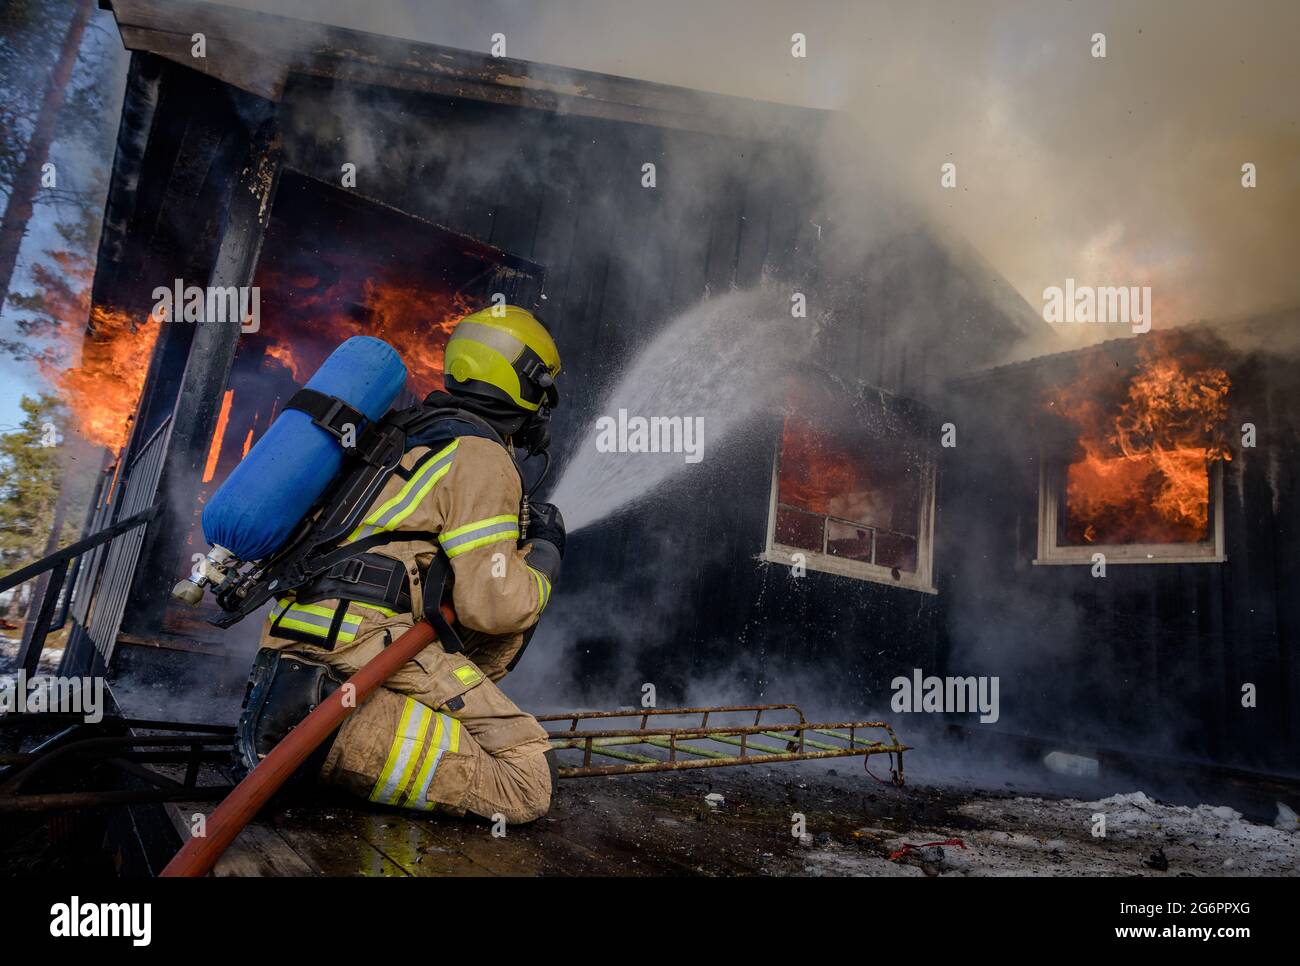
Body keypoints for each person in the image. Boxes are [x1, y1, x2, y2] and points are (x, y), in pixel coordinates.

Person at [236, 305, 565, 824]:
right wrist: (546, 555)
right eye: (545, 395)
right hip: (367, 646)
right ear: (527, 385)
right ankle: (315, 737)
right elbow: (495, 608)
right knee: (525, 782)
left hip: (305, 634)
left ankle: (314, 708)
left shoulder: (400, 435)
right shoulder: (481, 455)